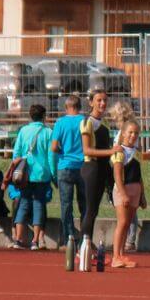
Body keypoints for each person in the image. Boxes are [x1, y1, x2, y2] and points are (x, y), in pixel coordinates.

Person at [10, 104, 56, 250]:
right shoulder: (48, 132)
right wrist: (54, 174)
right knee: (38, 206)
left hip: (25, 174)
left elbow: (16, 153)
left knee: (23, 204)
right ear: (44, 116)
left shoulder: (23, 130)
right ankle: (35, 240)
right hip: (42, 175)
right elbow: (51, 156)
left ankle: (18, 239)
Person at [78, 88, 115, 260]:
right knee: (90, 209)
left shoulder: (105, 124)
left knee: (94, 210)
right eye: (99, 100)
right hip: (91, 168)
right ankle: (83, 246)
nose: (102, 104)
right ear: (91, 102)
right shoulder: (87, 122)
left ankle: (87, 246)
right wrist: (111, 151)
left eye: (105, 100)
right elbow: (87, 150)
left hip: (102, 169)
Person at [109, 114, 146, 268]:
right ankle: (115, 256)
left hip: (135, 191)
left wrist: (142, 195)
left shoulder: (136, 152)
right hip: (122, 191)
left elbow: (140, 176)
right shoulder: (119, 151)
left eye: (136, 133)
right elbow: (117, 175)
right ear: (123, 133)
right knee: (122, 222)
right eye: (130, 132)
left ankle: (123, 255)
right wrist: (123, 194)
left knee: (128, 223)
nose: (133, 136)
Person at [51, 94, 87, 249]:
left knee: (66, 205)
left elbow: (53, 147)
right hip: (83, 165)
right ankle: (86, 237)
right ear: (79, 107)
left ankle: (69, 239)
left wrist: (62, 152)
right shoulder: (85, 121)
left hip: (65, 165)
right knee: (84, 204)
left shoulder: (60, 123)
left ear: (67, 107)